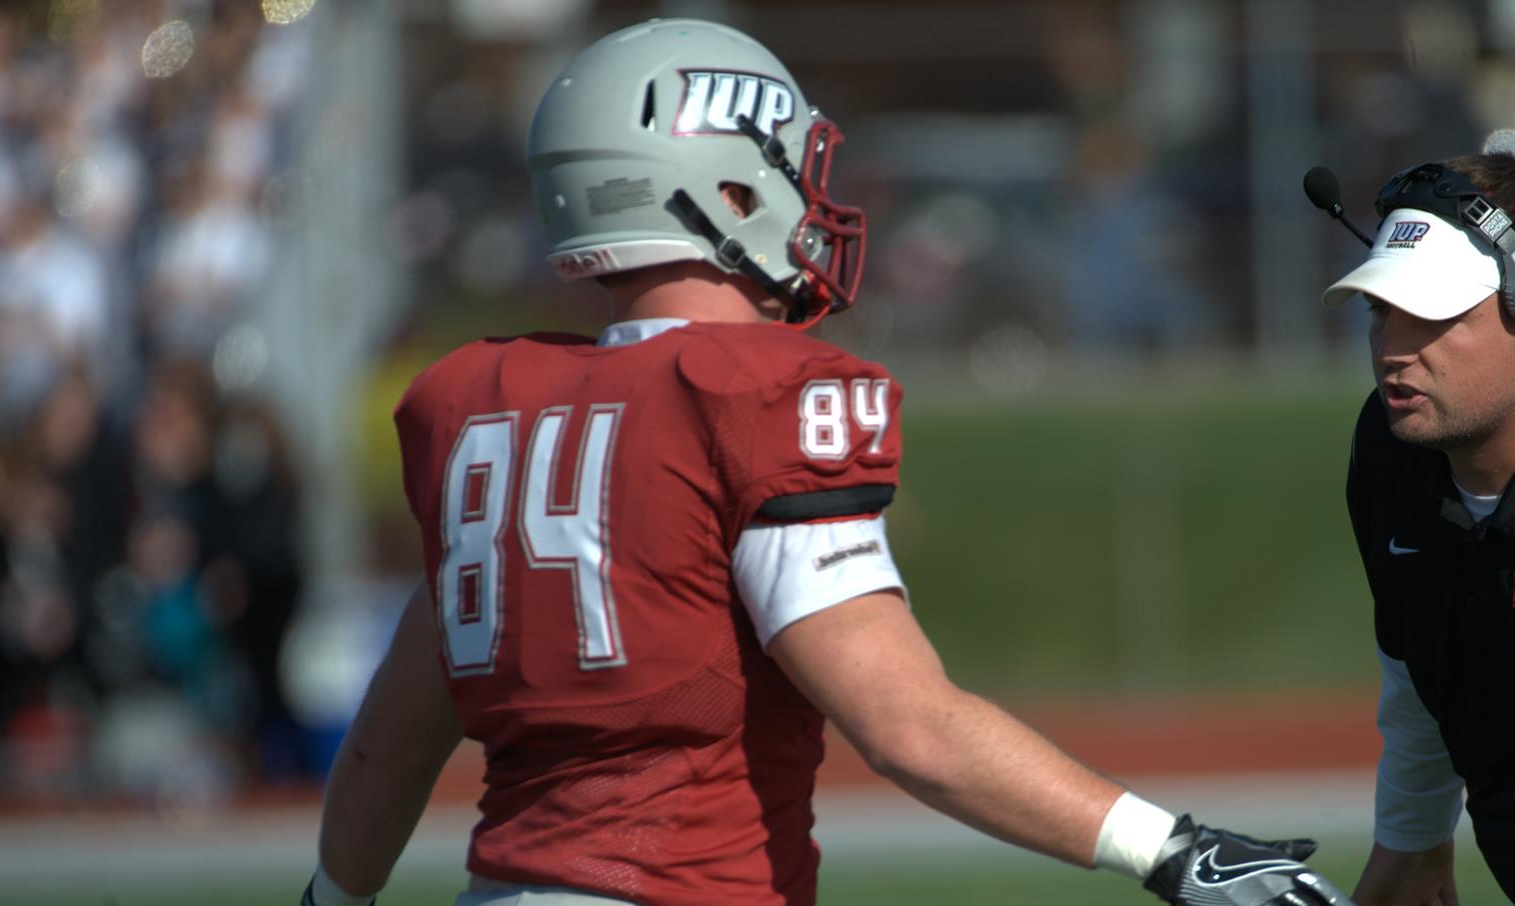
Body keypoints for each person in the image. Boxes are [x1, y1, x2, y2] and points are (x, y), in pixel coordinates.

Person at [303, 19, 1349, 906]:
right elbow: (907, 726)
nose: (814, 205)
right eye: (795, 174)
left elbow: (387, 748)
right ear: (727, 190)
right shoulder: (754, 391)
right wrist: (1173, 853)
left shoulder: (487, 410)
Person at [1324, 149, 1515, 903]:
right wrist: (1414, 845)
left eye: (1433, 315)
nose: (1395, 351)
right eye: (1381, 311)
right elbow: (1417, 667)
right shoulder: (1391, 452)